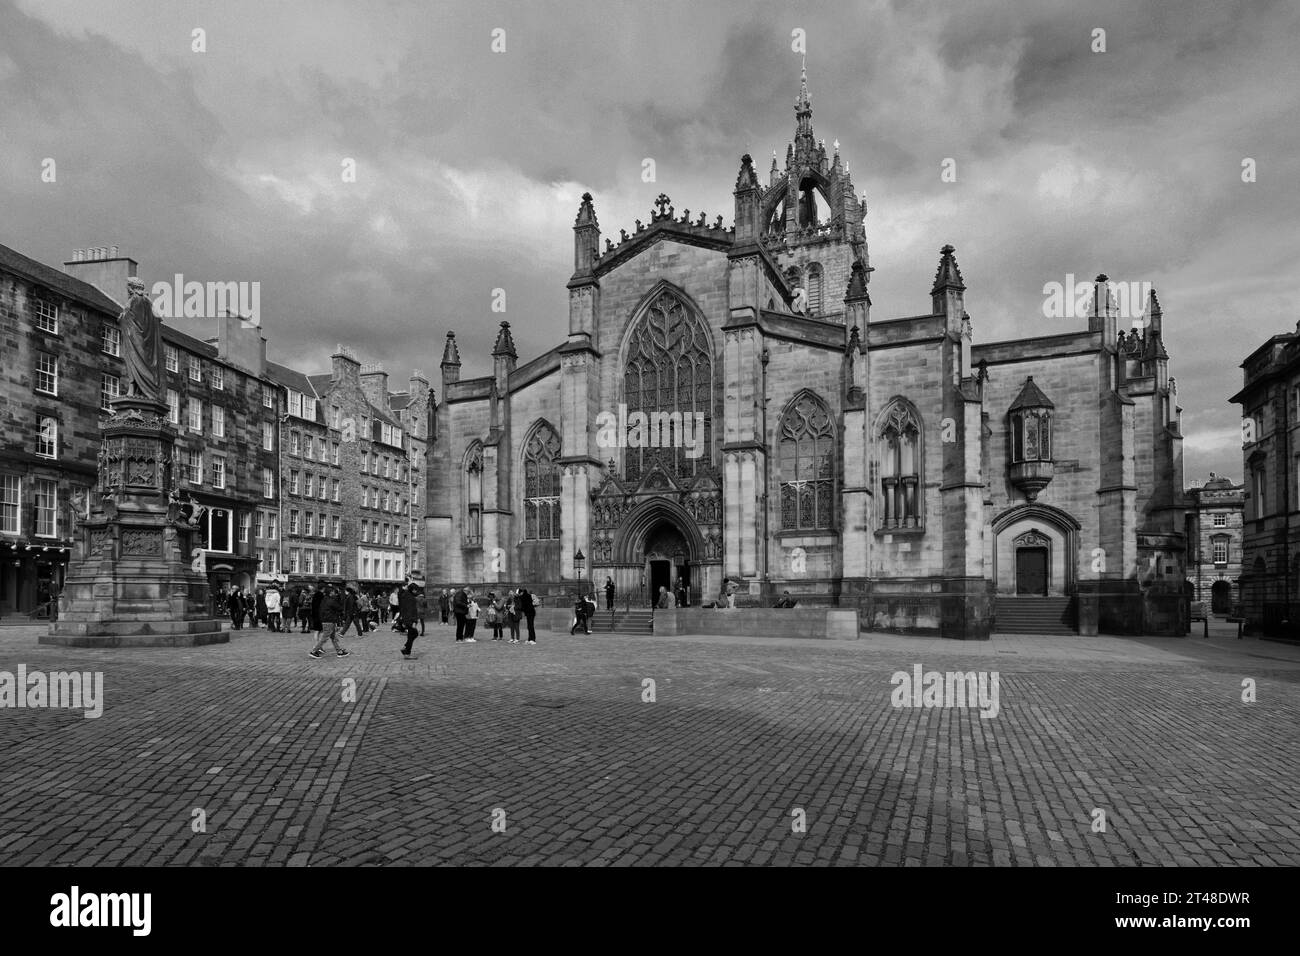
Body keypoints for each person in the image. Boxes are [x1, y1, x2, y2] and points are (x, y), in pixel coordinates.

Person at [308, 583, 350, 659]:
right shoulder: (331, 600)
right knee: (325, 638)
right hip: (329, 621)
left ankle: (339, 651)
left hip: (328, 620)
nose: (335, 593)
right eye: (334, 592)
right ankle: (314, 651)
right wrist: (342, 597)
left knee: (333, 637)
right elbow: (340, 608)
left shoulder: (325, 599)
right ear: (331, 593)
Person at [398, 581, 421, 658]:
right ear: (412, 589)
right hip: (410, 619)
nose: (416, 591)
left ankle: (406, 648)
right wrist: (414, 621)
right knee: (414, 634)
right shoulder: (411, 598)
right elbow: (412, 610)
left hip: (406, 618)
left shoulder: (405, 596)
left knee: (411, 635)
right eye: (415, 590)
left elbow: (402, 608)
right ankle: (407, 652)